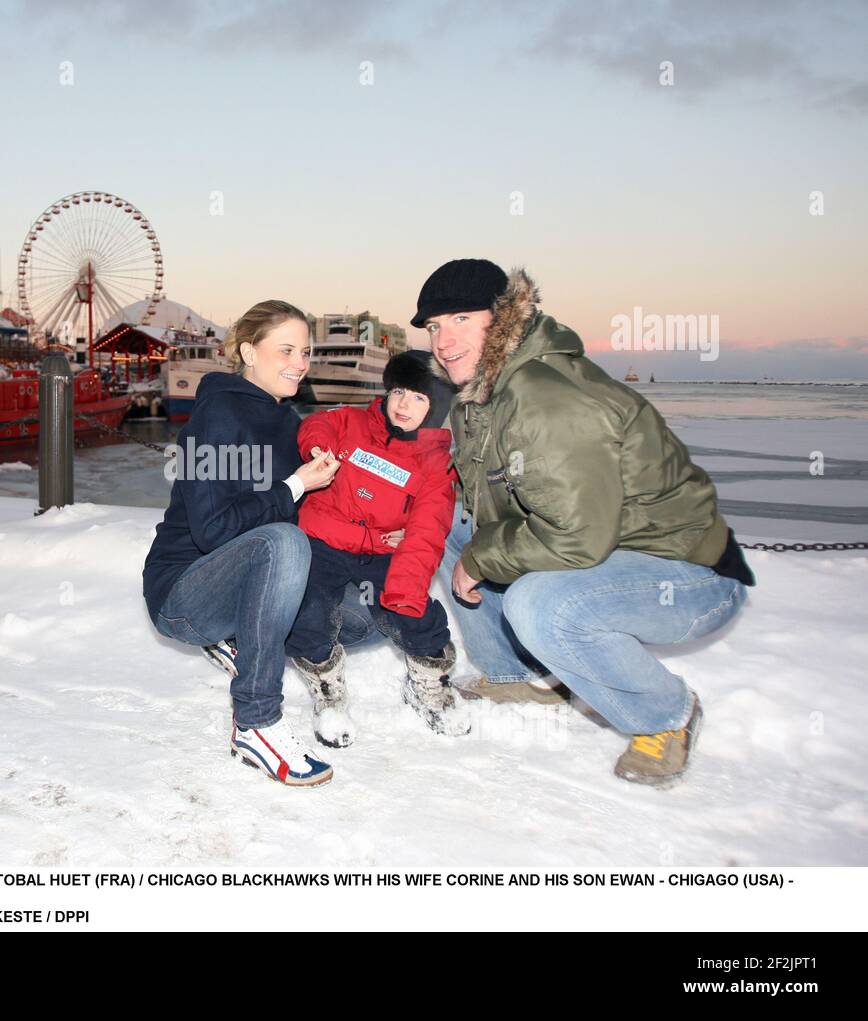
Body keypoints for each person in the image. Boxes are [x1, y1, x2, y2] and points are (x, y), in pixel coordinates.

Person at [410, 259, 755, 785]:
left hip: (689, 574)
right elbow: (481, 502)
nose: (443, 339)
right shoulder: (480, 399)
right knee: (450, 525)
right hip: (609, 552)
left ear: (503, 320)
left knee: (542, 607)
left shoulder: (545, 398)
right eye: (435, 326)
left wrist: (482, 559)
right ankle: (519, 675)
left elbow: (575, 537)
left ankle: (667, 715)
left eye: (459, 318)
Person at [142, 300, 342, 788]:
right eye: (287, 350)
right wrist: (294, 486)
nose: (300, 363)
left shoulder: (285, 419)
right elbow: (212, 530)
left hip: (235, 580)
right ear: (249, 352)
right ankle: (255, 721)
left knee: (349, 617)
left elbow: (288, 505)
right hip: (181, 594)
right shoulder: (217, 417)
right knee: (284, 543)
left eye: (306, 351)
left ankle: (239, 640)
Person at [284, 352, 465, 745]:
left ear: (436, 408)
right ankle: (328, 690)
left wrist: (404, 593)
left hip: (383, 547)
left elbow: (427, 531)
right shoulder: (352, 421)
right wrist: (318, 448)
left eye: (419, 398)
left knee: (418, 613)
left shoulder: (436, 465)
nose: (403, 404)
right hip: (325, 538)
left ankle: (428, 685)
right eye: (399, 391)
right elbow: (316, 424)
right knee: (309, 608)